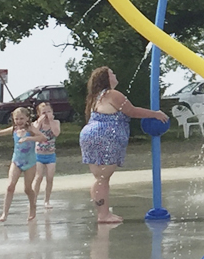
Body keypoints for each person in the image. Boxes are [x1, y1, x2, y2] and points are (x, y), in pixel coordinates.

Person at [78, 65, 168, 225]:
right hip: (105, 137)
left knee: (100, 177)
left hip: (90, 135)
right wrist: (155, 114)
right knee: (103, 178)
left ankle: (103, 213)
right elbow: (131, 111)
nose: (115, 74)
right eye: (111, 73)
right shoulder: (112, 94)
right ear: (106, 79)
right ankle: (103, 215)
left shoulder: (96, 97)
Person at [0, 107, 49, 223]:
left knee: (27, 189)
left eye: (21, 118)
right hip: (16, 162)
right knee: (10, 187)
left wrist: (28, 138)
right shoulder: (14, 129)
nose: (19, 121)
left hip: (30, 163)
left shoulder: (31, 128)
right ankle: (4, 214)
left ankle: (33, 207)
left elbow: (43, 138)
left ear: (27, 118)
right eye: (16, 119)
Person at [33, 101, 60, 208]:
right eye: (43, 112)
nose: (46, 114)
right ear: (39, 114)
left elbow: (56, 133)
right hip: (38, 155)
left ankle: (47, 201)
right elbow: (33, 132)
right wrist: (40, 122)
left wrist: (51, 121)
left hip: (50, 155)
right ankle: (33, 200)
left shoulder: (56, 122)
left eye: (49, 112)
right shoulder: (36, 123)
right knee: (38, 177)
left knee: (50, 178)